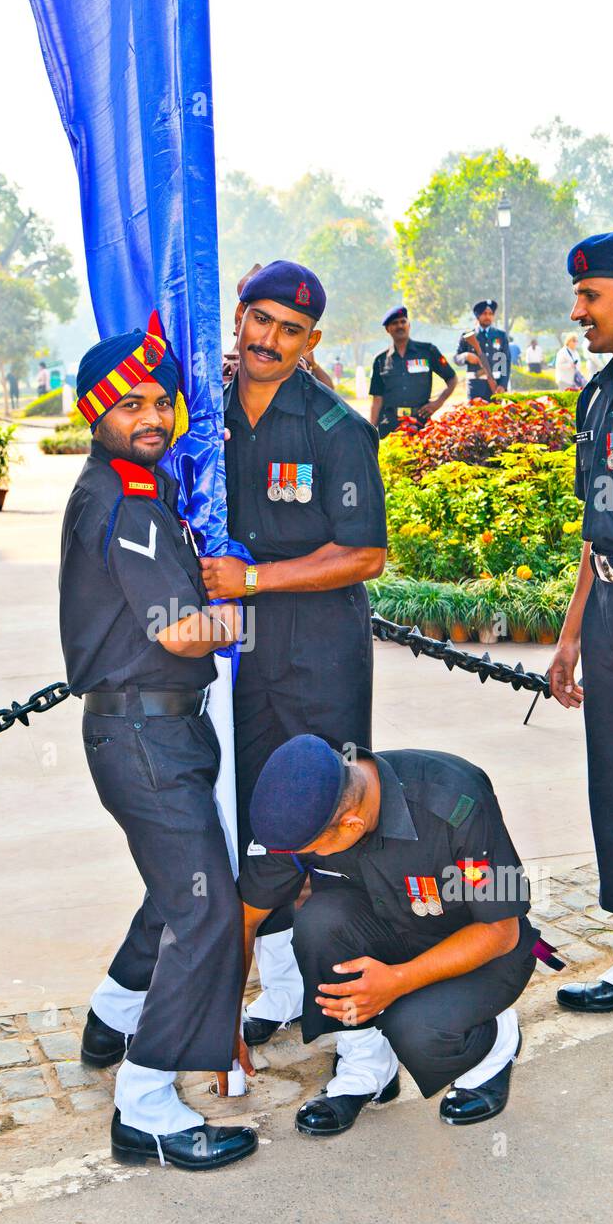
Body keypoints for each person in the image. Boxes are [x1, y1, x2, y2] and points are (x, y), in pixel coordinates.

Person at [59, 318, 257, 1171]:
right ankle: (145, 1105)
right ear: (95, 414)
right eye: (129, 403)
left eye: (160, 401)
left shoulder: (139, 488)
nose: (152, 415)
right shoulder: (128, 502)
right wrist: (249, 611)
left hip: (152, 726)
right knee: (207, 908)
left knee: (176, 887)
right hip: (146, 731)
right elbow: (179, 630)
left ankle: (111, 1018)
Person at [200, 260, 388, 1047]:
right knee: (256, 825)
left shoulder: (337, 429)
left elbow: (365, 555)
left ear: (312, 341)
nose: (270, 340)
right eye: (260, 319)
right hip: (239, 662)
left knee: (333, 827)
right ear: (238, 317)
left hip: (322, 656)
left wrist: (258, 577)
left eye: (290, 329)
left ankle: (359, 1036)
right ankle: (279, 993)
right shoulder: (205, 419)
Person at [239, 735, 541, 1133]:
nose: (306, 857)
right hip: (392, 928)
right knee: (319, 922)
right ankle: (367, 1068)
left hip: (478, 946)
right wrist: (221, 1021)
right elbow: (246, 920)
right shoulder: (309, 813)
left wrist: (397, 981)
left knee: (415, 1029)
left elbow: (501, 931)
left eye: (314, 849)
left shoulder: (456, 800)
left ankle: (494, 1040)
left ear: (352, 824)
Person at [548, 231, 613, 1064]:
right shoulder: (599, 397)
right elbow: (595, 529)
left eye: (592, 297)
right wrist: (570, 638)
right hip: (610, 610)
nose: (577, 311)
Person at [369, 305, 457, 439]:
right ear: (388, 329)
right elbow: (377, 399)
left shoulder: (428, 351)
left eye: (403, 322)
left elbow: (452, 378)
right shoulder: (380, 360)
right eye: (394, 323)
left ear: (409, 325)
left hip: (420, 423)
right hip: (390, 425)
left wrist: (437, 403)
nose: (400, 326)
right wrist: (370, 431)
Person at [454, 299, 511, 400]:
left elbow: (505, 362)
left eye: (490, 314)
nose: (488, 316)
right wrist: (465, 356)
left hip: (495, 385)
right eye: (484, 313)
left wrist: (503, 384)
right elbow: (456, 358)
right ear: (478, 316)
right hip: (475, 386)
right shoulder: (467, 336)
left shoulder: (500, 335)